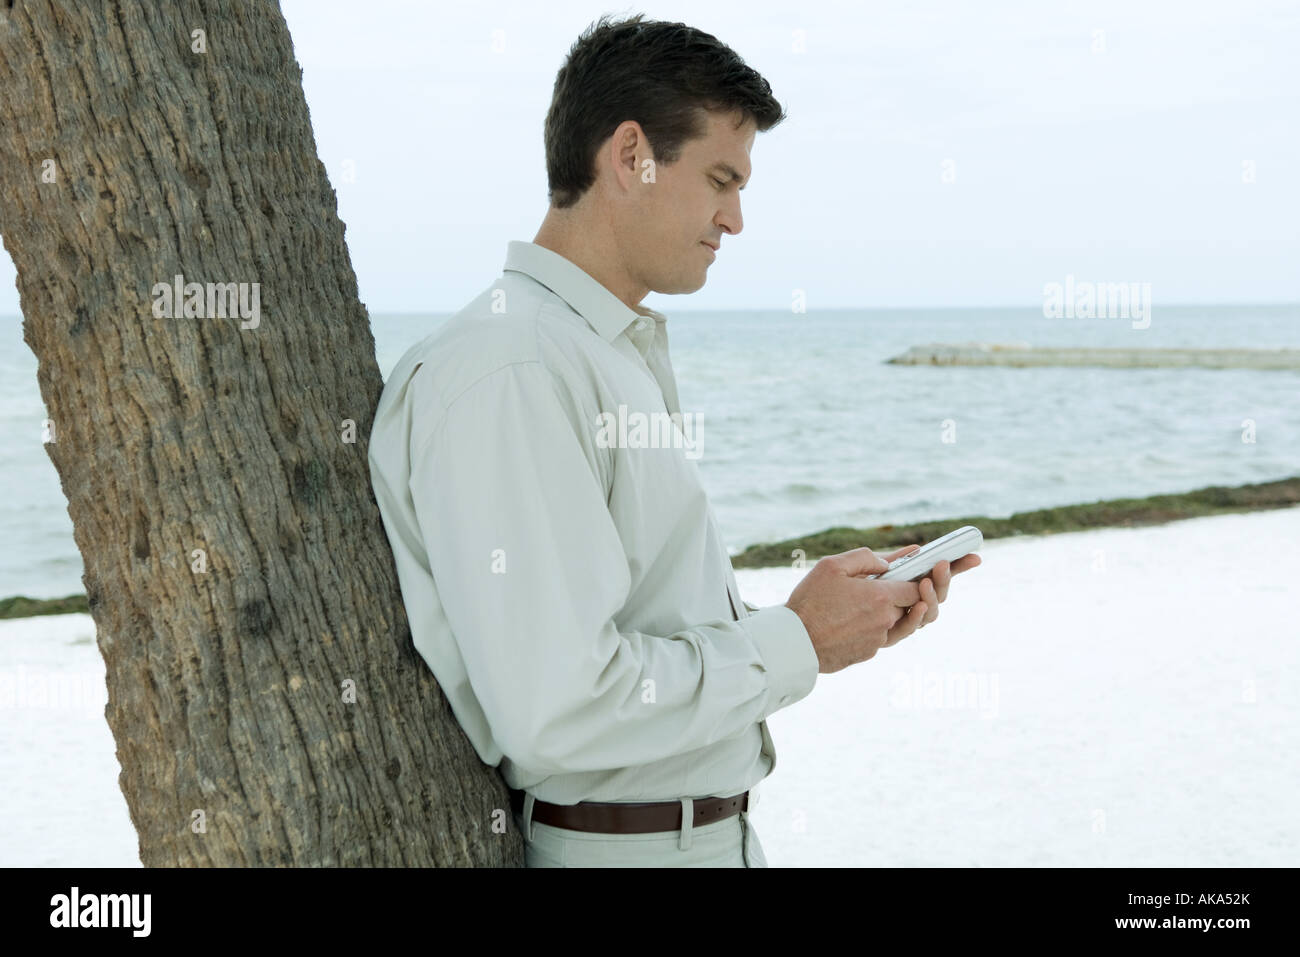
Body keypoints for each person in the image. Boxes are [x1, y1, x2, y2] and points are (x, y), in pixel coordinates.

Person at [366, 12, 980, 868]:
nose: (735, 220)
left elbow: (635, 636)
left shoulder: (589, 351)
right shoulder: (513, 367)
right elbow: (560, 705)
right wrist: (795, 639)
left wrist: (825, 625)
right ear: (630, 157)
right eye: (721, 179)